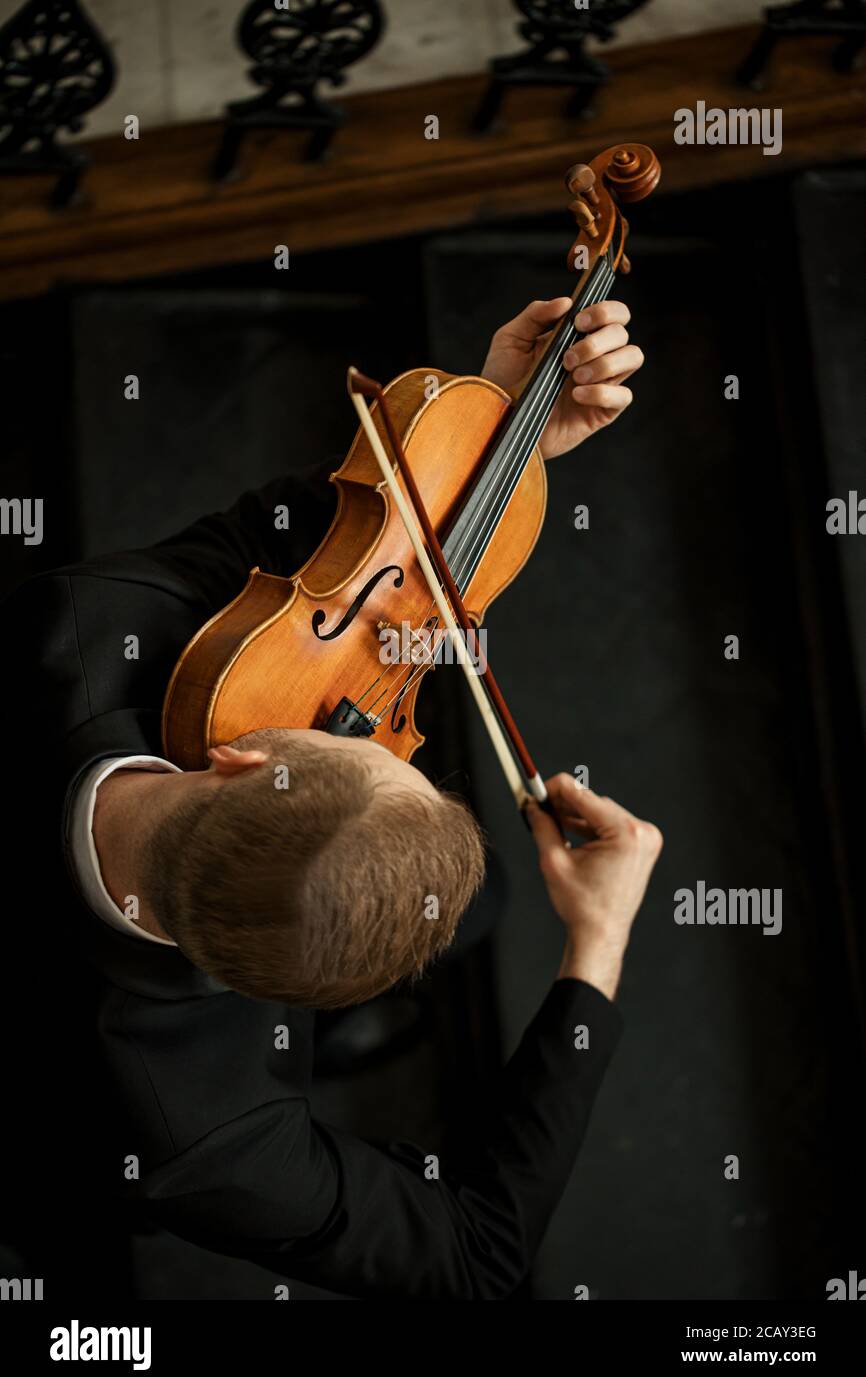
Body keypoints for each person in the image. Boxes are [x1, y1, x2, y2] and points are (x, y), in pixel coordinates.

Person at [1, 297, 660, 1300]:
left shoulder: (84, 626)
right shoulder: (209, 1135)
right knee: (470, 908)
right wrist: (598, 941)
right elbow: (479, 1260)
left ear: (241, 756)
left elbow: (317, 554)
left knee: (464, 895)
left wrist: (504, 438)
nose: (392, 712)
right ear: (275, 996)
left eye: (356, 735)